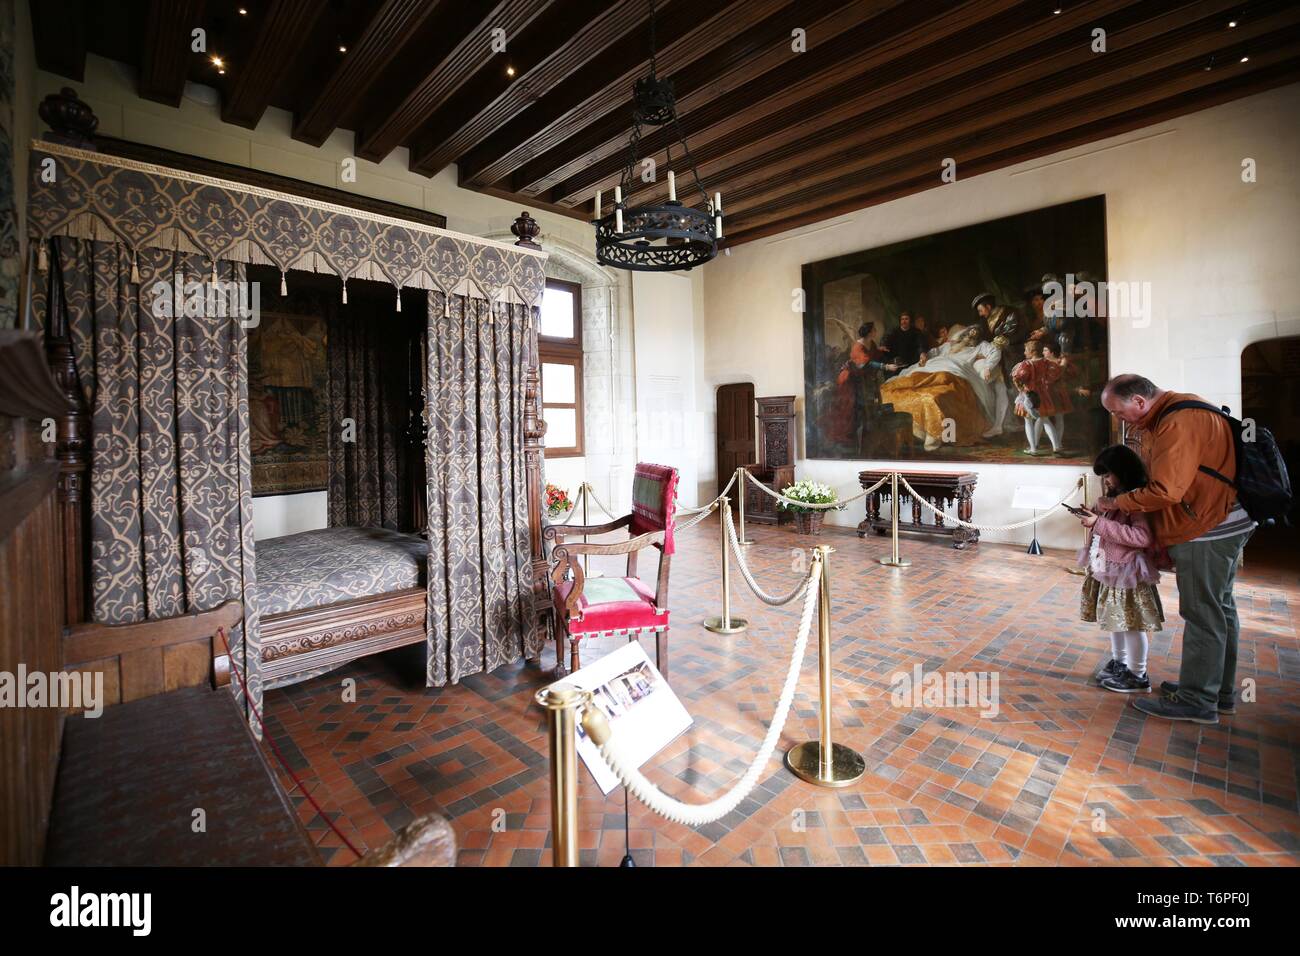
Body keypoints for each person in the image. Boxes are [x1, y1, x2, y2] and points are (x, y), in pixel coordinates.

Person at [1098, 374, 1254, 723]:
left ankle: (1197, 700)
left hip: (1207, 529)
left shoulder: (1178, 421)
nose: (1119, 420)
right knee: (1219, 608)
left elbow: (1167, 490)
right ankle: (1218, 691)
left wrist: (1120, 502)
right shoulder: (1178, 412)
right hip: (1219, 522)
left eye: (1119, 412)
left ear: (1139, 401)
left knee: (1202, 612)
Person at [1077, 445, 1165, 694]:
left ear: (1123, 472)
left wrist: (1100, 524)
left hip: (1126, 573)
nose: (1105, 481)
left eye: (1108, 475)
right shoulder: (1112, 501)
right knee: (1114, 620)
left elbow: (1141, 537)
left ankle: (1138, 674)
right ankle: (1120, 662)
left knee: (1132, 624)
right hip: (1106, 568)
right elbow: (1106, 526)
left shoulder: (1136, 501)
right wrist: (1094, 515)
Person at [1011, 339, 1062, 455]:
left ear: (1033, 352)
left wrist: (1020, 388)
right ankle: (1056, 446)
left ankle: (1033, 449)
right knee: (1045, 419)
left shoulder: (1026, 364)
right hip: (1043, 394)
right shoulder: (1046, 362)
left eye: (1026, 350)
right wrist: (1046, 382)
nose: (1024, 353)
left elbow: (1018, 377)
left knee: (1028, 421)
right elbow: (1056, 372)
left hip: (1029, 395)